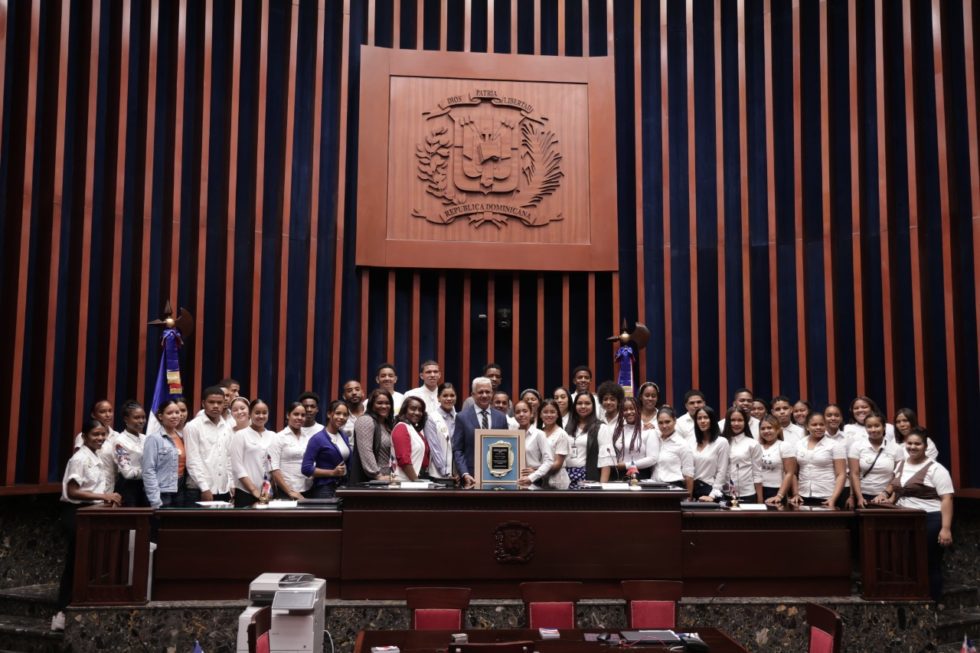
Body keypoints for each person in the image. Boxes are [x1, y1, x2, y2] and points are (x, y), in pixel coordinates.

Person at [54, 420, 122, 631]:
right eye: (95, 434)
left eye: (102, 435)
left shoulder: (96, 456)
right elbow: (73, 491)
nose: (100, 438)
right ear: (84, 437)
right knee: (75, 563)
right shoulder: (80, 458)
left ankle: (77, 610)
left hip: (92, 512)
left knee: (88, 564)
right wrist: (104, 496)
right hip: (77, 513)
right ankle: (61, 612)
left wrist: (107, 500)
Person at [875, 429, 954, 600]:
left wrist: (946, 528)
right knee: (906, 560)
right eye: (909, 443)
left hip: (929, 519)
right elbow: (899, 489)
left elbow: (947, 499)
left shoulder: (936, 469)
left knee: (929, 561)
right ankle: (912, 598)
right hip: (904, 519)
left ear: (925, 446)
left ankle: (933, 601)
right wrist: (887, 499)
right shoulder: (901, 465)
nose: (912, 447)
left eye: (917, 444)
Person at [773, 411, 846, 507]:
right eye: (814, 425)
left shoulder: (835, 445)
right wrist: (795, 493)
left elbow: (841, 474)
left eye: (821, 424)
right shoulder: (799, 444)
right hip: (803, 496)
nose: (818, 427)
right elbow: (793, 472)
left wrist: (833, 498)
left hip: (827, 495)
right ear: (807, 427)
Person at [452, 377, 509, 488]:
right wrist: (464, 473)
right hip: (470, 477)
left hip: (497, 476)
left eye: (487, 392)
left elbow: (505, 447)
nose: (484, 395)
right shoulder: (462, 417)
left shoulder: (501, 417)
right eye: (480, 392)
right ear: (473, 395)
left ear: (492, 393)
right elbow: (458, 450)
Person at [183, 385, 235, 503]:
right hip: (198, 490)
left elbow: (229, 458)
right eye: (211, 402)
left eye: (219, 403)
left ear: (224, 404)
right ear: (203, 403)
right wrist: (204, 488)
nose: (216, 406)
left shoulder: (227, 427)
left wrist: (231, 483)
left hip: (223, 489)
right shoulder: (193, 426)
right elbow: (193, 460)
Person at [848, 412, 901, 508]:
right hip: (862, 496)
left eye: (877, 426)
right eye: (869, 426)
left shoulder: (896, 448)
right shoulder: (856, 446)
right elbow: (854, 474)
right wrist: (859, 497)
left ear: (884, 427)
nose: (873, 429)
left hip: (885, 497)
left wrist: (885, 494)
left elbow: (898, 475)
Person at [230, 399, 275, 507]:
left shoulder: (273, 436)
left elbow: (275, 465)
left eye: (264, 413)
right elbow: (237, 466)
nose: (261, 416)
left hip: (267, 492)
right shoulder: (240, 435)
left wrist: (267, 491)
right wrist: (254, 490)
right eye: (257, 413)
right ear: (250, 414)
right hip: (245, 491)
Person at [102, 400, 148, 507]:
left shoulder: (146, 438)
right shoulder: (120, 441)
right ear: (126, 419)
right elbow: (128, 473)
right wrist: (150, 472)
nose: (141, 421)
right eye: (137, 417)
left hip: (146, 487)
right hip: (128, 489)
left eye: (143, 417)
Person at [142, 400, 188, 508]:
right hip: (161, 491)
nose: (175, 416)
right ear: (160, 416)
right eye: (169, 413)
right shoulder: (154, 439)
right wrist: (155, 499)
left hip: (180, 489)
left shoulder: (183, 437)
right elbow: (148, 471)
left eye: (177, 412)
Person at [301, 400, 351, 498]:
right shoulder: (317, 439)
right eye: (338, 413)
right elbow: (306, 469)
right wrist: (332, 473)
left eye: (345, 415)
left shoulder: (344, 436)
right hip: (324, 489)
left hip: (342, 487)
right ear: (329, 414)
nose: (341, 417)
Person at [270, 402, 314, 499]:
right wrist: (290, 492)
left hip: (308, 489)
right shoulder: (278, 438)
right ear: (288, 415)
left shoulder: (308, 438)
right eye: (296, 414)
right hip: (286, 492)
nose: (300, 417)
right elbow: (274, 469)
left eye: (303, 415)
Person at [605, 396, 656, 480]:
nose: (629, 412)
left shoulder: (648, 430)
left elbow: (652, 459)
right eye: (625, 410)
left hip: (640, 475)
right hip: (619, 474)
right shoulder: (617, 431)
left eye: (632, 409)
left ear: (638, 409)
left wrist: (626, 465)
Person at [352, 389, 395, 482]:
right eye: (379, 403)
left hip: (388, 477)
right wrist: (377, 476)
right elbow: (366, 451)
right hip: (371, 481)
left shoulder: (387, 424)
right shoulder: (365, 421)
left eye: (387, 403)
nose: (384, 406)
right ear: (371, 405)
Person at [723, 407, 764, 503]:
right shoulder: (722, 442)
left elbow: (757, 473)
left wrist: (760, 498)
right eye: (733, 420)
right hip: (724, 494)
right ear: (727, 422)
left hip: (747, 494)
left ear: (745, 422)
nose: (736, 423)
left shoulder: (753, 444)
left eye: (740, 420)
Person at [564, 393, 604, 488]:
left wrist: (602, 487)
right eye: (579, 403)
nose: (583, 406)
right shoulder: (567, 426)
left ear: (593, 406)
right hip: (566, 476)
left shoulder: (601, 427)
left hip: (587, 477)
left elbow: (606, 462)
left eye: (587, 403)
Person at [653, 407, 694, 498]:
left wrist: (688, 499)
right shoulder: (655, 439)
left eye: (667, 422)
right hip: (654, 487)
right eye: (660, 423)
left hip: (674, 488)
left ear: (675, 421)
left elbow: (689, 475)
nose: (664, 426)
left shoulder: (682, 444)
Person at [691, 406, 729, 501]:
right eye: (699, 418)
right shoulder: (691, 442)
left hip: (710, 489)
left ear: (712, 420)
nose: (702, 421)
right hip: (693, 489)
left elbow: (722, 471)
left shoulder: (721, 442)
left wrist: (712, 495)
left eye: (706, 417)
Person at [424, 382, 458, 484]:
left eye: (452, 395)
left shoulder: (459, 417)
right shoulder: (431, 418)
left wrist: (460, 471)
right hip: (438, 474)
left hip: (457, 474)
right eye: (445, 396)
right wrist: (445, 472)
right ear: (438, 398)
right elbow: (434, 448)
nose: (449, 398)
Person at [390, 396, 430, 481]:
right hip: (403, 482)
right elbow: (403, 459)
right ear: (405, 410)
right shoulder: (401, 427)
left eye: (420, 410)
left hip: (412, 481)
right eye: (413, 409)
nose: (417, 412)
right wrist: (416, 480)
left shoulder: (414, 430)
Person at [517, 400, 555, 487]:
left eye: (525, 411)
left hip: (534, 482)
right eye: (517, 412)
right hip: (515, 481)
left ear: (531, 414)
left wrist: (533, 476)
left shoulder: (539, 434)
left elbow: (549, 461)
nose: (521, 414)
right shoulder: (512, 434)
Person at [535, 399, 571, 489]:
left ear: (557, 414)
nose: (549, 415)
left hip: (557, 480)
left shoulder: (561, 434)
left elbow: (557, 464)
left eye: (552, 412)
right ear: (540, 415)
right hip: (538, 480)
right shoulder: (538, 433)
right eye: (545, 412)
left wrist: (536, 472)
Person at [758, 415, 792, 501]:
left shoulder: (784, 446)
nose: (766, 431)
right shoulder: (757, 446)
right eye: (763, 428)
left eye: (769, 428)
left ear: (778, 429)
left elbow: (789, 473)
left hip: (776, 490)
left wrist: (779, 496)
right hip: (758, 489)